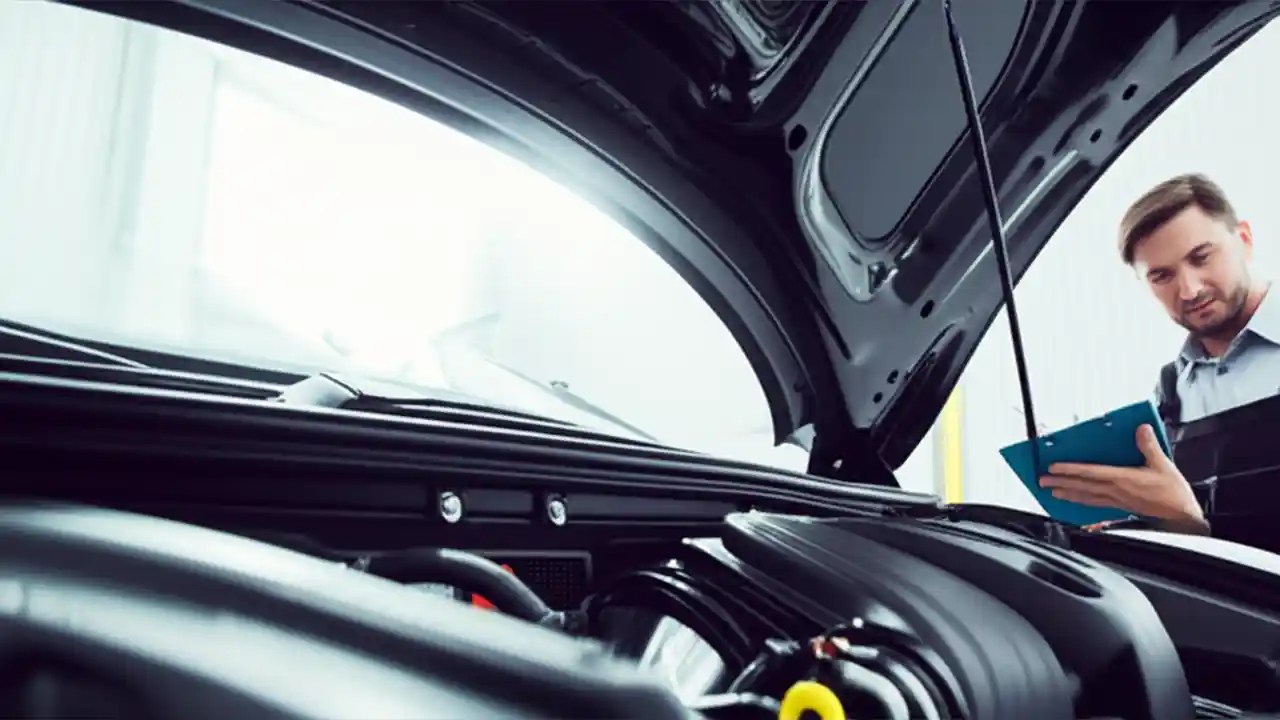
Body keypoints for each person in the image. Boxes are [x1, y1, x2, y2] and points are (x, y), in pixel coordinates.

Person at [1040, 173, 1279, 535]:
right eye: (1162, 276)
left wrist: (1189, 524)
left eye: (1201, 257)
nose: (1189, 289)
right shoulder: (1169, 396)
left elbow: (1190, 522)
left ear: (1244, 240)